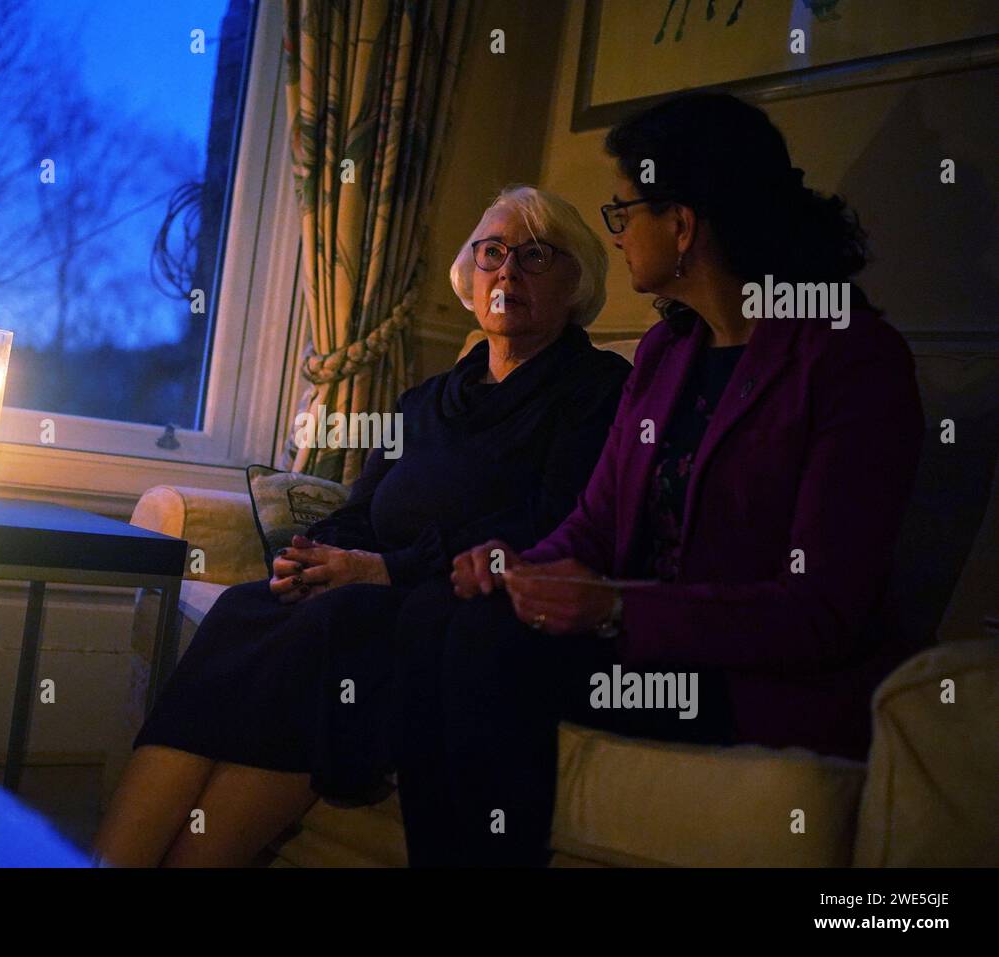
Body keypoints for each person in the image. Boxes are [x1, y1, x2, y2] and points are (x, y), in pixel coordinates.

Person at [395, 92, 926, 867]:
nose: (617, 230)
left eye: (625, 212)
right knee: (436, 613)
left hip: (744, 678)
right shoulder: (665, 354)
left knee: (492, 653)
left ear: (682, 225)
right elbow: (596, 525)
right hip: (643, 647)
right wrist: (519, 565)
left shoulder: (850, 361)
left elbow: (821, 611)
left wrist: (614, 606)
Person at [93, 185, 632, 866]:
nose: (508, 273)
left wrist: (381, 570)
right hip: (367, 589)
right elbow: (361, 508)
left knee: (328, 627)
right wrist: (315, 555)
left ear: (576, 282)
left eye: (534, 257)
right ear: (469, 276)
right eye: (492, 253)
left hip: (451, 610)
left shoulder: (596, 388)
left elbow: (549, 524)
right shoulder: (429, 399)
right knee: (243, 608)